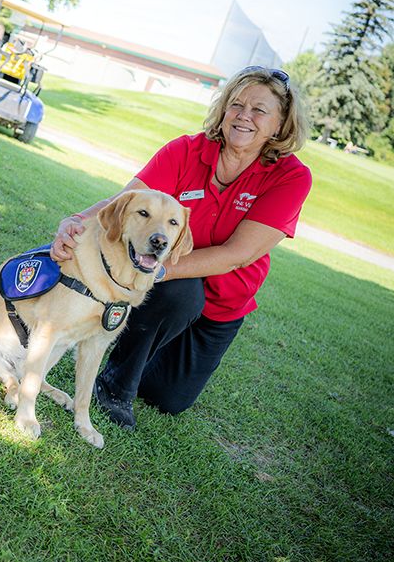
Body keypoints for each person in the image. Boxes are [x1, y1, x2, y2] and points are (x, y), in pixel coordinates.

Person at [50, 66, 311, 429]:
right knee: (182, 294)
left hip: (223, 304)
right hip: (173, 287)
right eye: (236, 104)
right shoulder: (186, 151)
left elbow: (239, 255)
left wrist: (159, 268)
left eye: (259, 110)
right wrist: (75, 221)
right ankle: (115, 383)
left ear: (280, 125)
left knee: (167, 399)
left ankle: (143, 355)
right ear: (223, 110)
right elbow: (126, 200)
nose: (244, 116)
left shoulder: (292, 177)